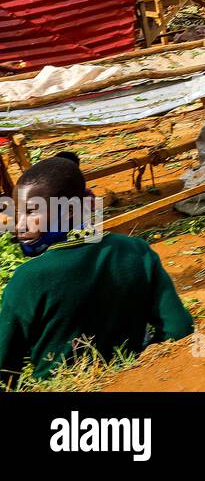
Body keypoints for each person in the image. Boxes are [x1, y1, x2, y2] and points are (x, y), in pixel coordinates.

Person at [0, 155, 194, 384]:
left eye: (32, 212)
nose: (19, 224)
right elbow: (180, 328)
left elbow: (5, 370)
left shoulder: (28, 279)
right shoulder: (137, 251)